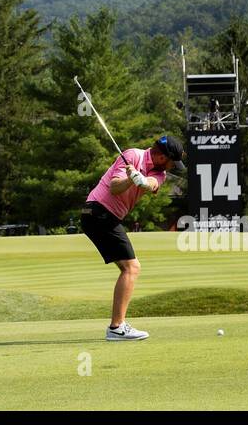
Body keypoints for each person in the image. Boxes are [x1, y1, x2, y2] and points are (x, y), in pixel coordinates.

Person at [80, 135, 186, 342]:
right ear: (164, 157)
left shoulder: (160, 173)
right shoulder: (132, 155)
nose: (174, 166)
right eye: (173, 161)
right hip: (98, 212)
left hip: (102, 216)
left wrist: (141, 180)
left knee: (128, 268)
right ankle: (117, 328)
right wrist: (130, 179)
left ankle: (117, 326)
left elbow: (151, 184)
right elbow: (114, 187)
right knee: (132, 268)